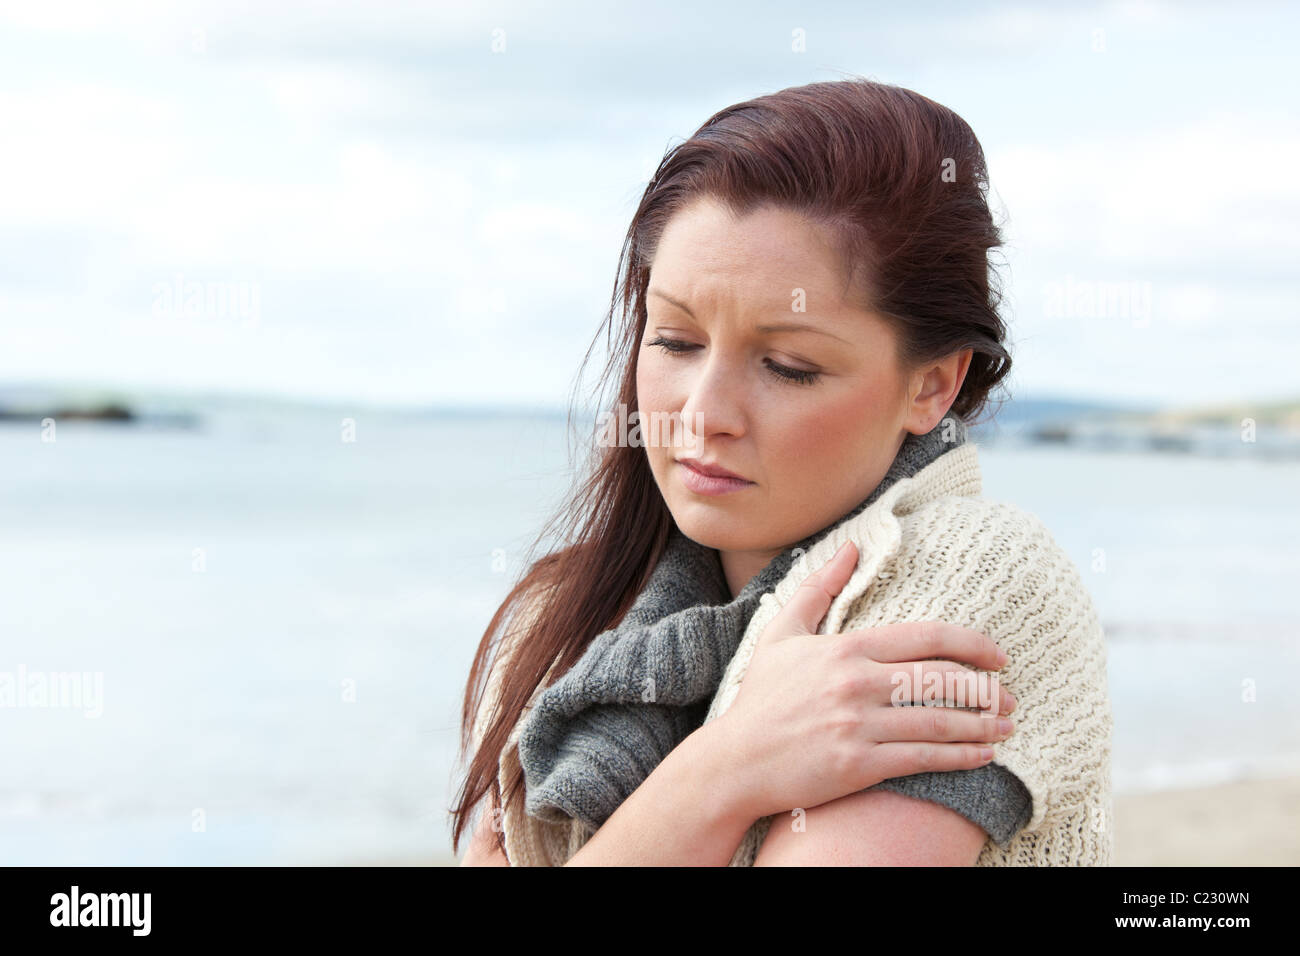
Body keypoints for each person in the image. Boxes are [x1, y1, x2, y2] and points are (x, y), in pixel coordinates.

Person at [453, 77, 1112, 866]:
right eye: (675, 342)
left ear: (931, 384)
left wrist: (715, 777)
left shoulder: (978, 579)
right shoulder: (564, 620)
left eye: (789, 366)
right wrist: (729, 767)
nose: (702, 413)